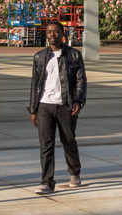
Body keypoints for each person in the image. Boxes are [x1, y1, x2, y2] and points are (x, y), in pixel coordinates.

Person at [28, 18, 87, 194]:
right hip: (44, 106)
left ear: (63, 34)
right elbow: (35, 84)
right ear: (46, 35)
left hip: (65, 104)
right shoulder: (39, 56)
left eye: (56, 32)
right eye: (49, 32)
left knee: (68, 140)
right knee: (46, 145)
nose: (52, 35)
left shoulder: (74, 55)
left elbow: (81, 80)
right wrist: (33, 109)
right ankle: (47, 182)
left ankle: (74, 173)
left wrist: (78, 100)